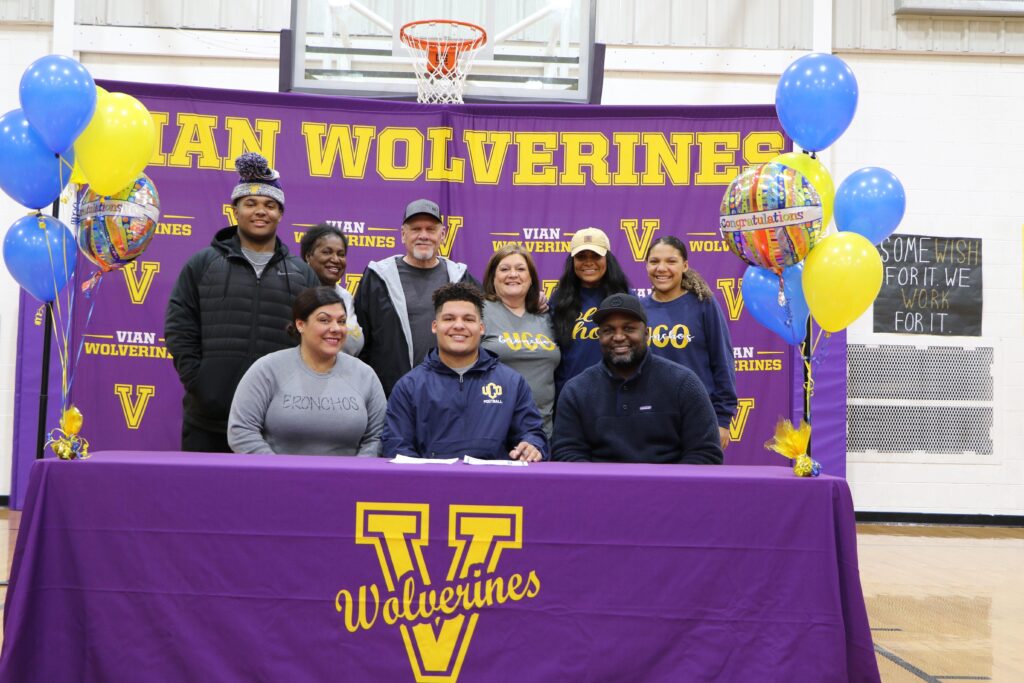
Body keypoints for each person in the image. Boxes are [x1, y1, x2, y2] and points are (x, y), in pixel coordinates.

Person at [164, 152, 320, 452]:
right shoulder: (202, 264)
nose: (260, 211)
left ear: (281, 214)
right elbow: (179, 326)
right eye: (250, 203)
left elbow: (314, 338)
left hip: (278, 423)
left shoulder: (302, 274)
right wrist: (199, 381)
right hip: (208, 419)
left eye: (270, 205)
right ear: (235, 210)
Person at [383, 282, 548, 462]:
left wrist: (532, 445)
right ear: (435, 326)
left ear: (482, 327)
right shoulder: (409, 386)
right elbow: (396, 446)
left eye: (468, 319)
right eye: (449, 319)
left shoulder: (511, 383)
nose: (459, 326)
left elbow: (532, 433)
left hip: (494, 479)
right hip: (432, 480)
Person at [552, 293, 723, 465]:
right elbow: (567, 453)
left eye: (628, 329)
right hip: (599, 482)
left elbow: (705, 453)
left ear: (646, 334)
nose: (618, 337)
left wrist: (667, 482)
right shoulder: (576, 390)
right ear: (599, 336)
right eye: (608, 330)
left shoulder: (684, 384)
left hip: (669, 482)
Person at [227, 287, 386, 456]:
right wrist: (277, 468)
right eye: (324, 320)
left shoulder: (365, 375)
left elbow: (378, 436)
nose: (336, 328)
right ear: (300, 324)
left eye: (341, 321)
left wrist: (357, 470)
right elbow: (242, 430)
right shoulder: (267, 369)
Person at [354, 198, 478, 395]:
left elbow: (482, 333)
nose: (423, 235)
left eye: (431, 229)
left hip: (451, 394)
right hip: (390, 395)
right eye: (416, 229)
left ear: (442, 235)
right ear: (403, 235)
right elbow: (360, 341)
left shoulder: (461, 278)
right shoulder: (377, 277)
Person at [642, 236, 737, 450]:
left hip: (698, 418)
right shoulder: (638, 310)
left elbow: (722, 362)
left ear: (685, 266)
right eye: (654, 261)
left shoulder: (704, 305)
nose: (661, 268)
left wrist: (723, 420)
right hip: (649, 420)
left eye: (671, 261)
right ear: (646, 265)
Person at [481, 245, 560, 435]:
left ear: (531, 278)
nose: (513, 274)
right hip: (493, 430)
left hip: (542, 430)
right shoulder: (478, 311)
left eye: (520, 269)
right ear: (493, 277)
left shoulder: (546, 316)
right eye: (504, 269)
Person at [549, 227, 631, 394]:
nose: (588, 262)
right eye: (581, 256)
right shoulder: (559, 301)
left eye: (596, 255)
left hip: (616, 394)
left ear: (607, 259)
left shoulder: (626, 298)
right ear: (572, 261)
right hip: (570, 395)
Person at [299, 223, 364, 356]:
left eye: (341, 254)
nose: (335, 259)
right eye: (327, 252)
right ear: (308, 256)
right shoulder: (296, 293)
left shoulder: (346, 297)